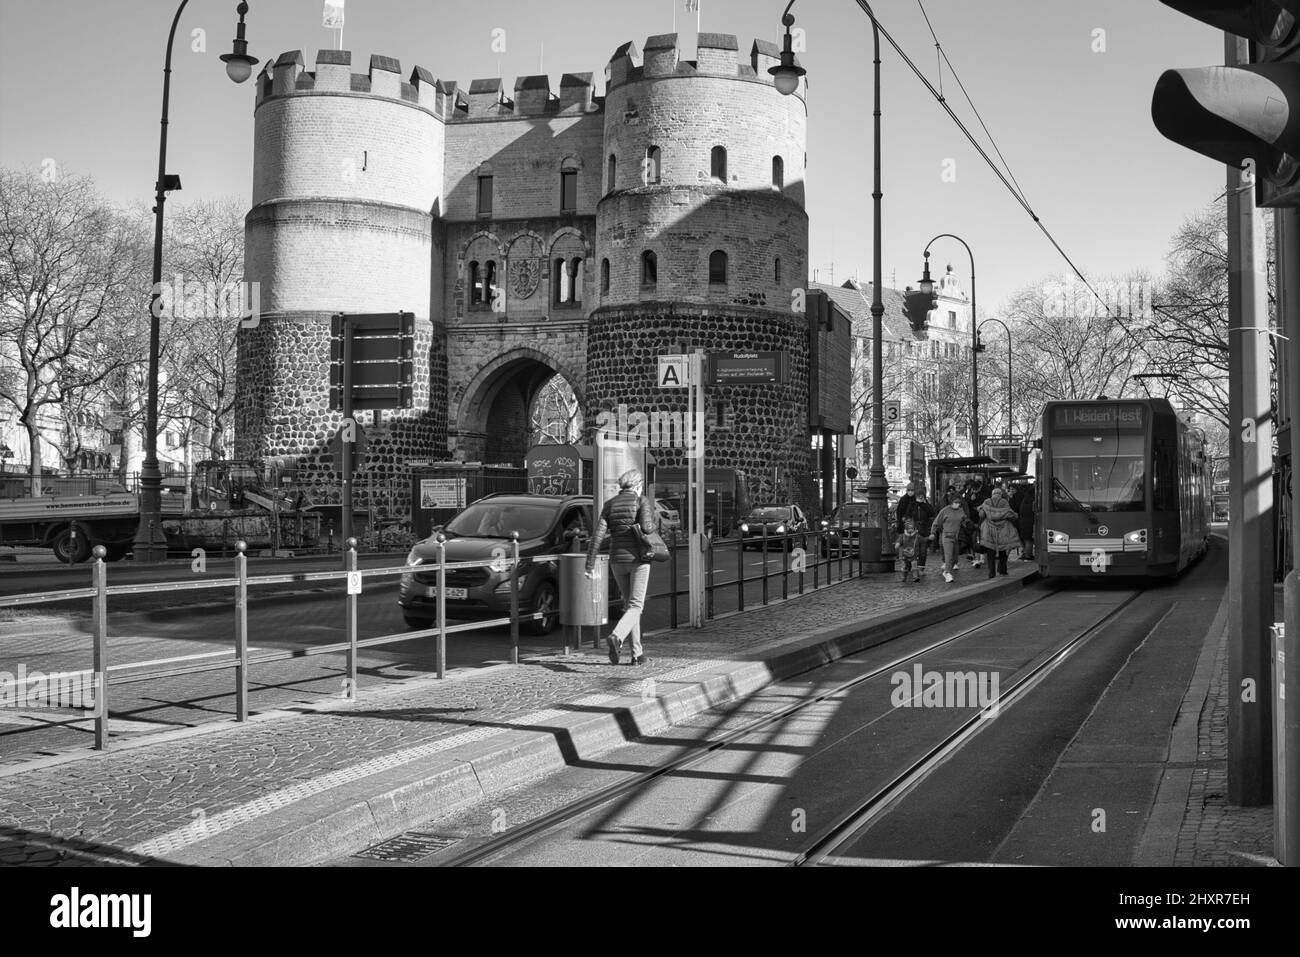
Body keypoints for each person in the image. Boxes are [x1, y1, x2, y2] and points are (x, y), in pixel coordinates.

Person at [585, 469, 655, 666]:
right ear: (638, 484)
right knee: (635, 606)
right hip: (638, 560)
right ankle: (617, 636)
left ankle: (637, 654)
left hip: (617, 561)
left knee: (630, 606)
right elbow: (648, 528)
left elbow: (597, 536)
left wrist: (589, 564)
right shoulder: (641, 501)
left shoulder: (609, 505)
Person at [978, 487, 1021, 578]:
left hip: (989, 529)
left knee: (990, 551)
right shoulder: (1004, 502)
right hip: (1003, 529)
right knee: (1003, 550)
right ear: (1000, 495)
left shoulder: (987, 501)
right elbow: (1010, 515)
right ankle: (1002, 570)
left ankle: (991, 573)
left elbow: (981, 515)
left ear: (992, 494)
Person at [931, 493, 967, 583]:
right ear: (951, 502)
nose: (957, 504)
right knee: (948, 555)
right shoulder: (944, 511)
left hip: (956, 536)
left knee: (955, 558)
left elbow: (964, 520)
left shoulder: (961, 510)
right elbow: (936, 522)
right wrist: (933, 533)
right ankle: (947, 573)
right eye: (955, 502)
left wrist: (967, 524)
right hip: (946, 536)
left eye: (959, 502)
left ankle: (947, 570)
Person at [909, 487, 936, 579]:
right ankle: (912, 567)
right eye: (919, 496)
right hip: (914, 530)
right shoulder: (912, 505)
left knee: (923, 551)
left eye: (922, 496)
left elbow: (932, 513)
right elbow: (908, 515)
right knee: (913, 550)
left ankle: (921, 569)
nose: (920, 497)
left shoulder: (926, 505)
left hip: (924, 530)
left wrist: (923, 504)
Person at [895, 518, 921, 583]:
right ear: (906, 529)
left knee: (914, 565)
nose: (910, 530)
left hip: (913, 554)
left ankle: (915, 577)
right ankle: (904, 578)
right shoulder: (902, 536)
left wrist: (928, 538)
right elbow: (899, 541)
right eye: (909, 529)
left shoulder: (917, 536)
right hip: (904, 554)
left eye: (912, 528)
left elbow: (923, 539)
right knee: (904, 566)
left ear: (914, 529)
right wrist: (897, 544)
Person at [1018, 482, 1037, 560]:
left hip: (1023, 521)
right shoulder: (1032, 499)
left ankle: (1026, 554)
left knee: (1026, 539)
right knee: (1029, 540)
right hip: (1029, 522)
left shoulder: (1025, 499)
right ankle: (1028, 555)